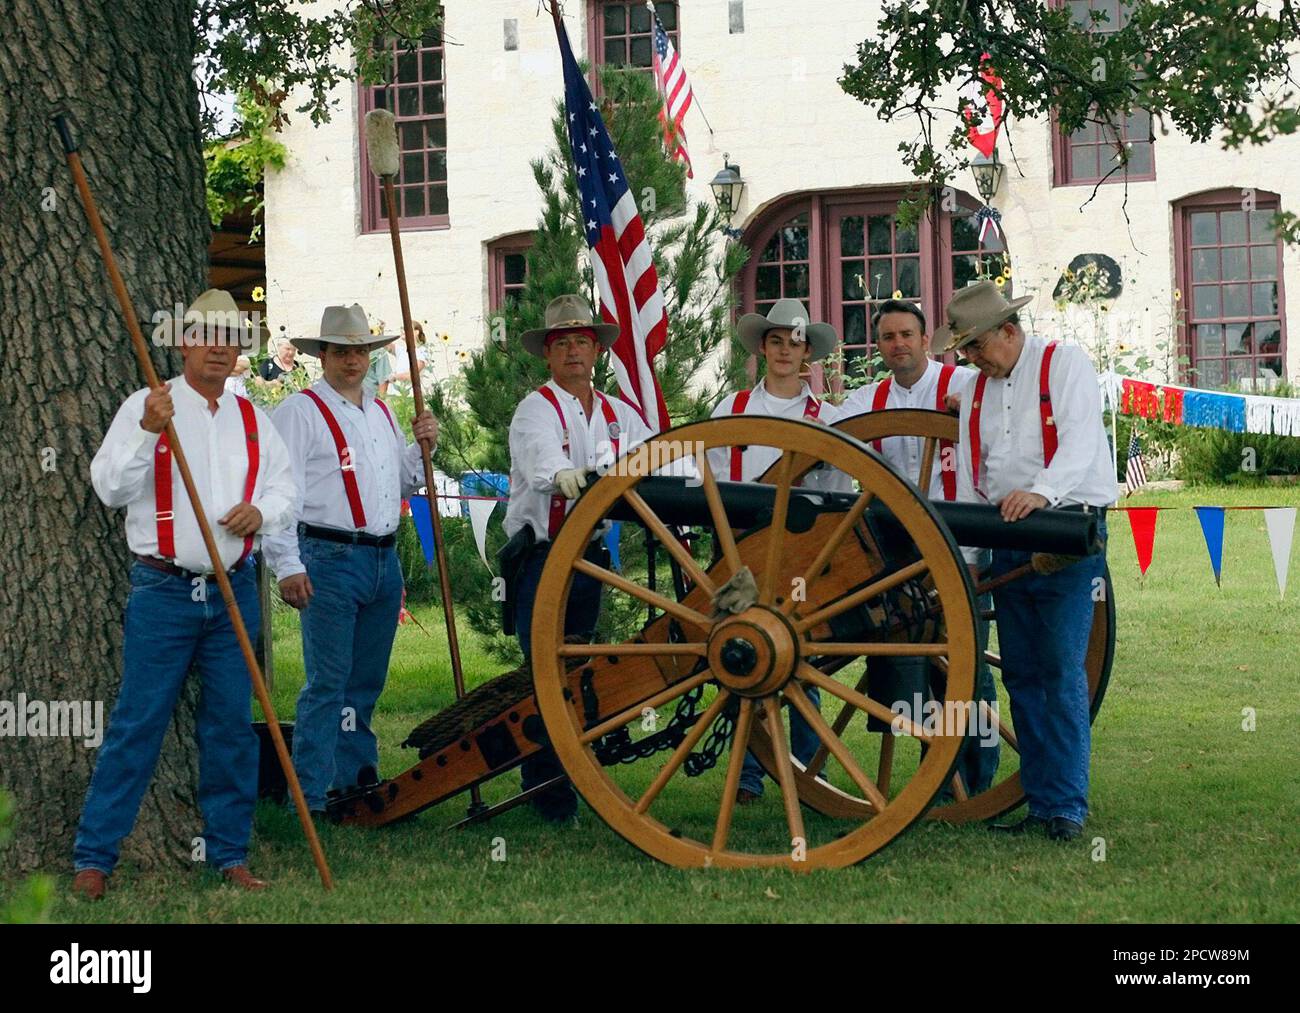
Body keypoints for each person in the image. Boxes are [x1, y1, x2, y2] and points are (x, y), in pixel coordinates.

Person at [73, 289, 297, 900]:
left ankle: (229, 854)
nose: (220, 350)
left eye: (231, 339)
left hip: (233, 596)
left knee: (229, 725)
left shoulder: (253, 416)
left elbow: (285, 491)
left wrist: (262, 512)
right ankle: (94, 857)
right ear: (184, 342)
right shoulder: (147, 405)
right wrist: (148, 433)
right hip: (164, 590)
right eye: (208, 337)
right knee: (138, 721)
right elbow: (110, 489)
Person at [939, 280, 1114, 842]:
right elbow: (971, 476)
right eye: (963, 350)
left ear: (1009, 332)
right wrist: (968, 557)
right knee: (1020, 673)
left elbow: (1081, 442)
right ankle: (1042, 803)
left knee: (1061, 669)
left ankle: (1065, 807)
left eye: (974, 347)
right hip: (1003, 537)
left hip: (1064, 528)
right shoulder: (973, 390)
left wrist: (1042, 491)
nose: (969, 359)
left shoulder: (1065, 365)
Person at [262, 304, 438, 813]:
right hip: (329, 555)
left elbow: (399, 484)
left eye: (360, 350)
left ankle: (355, 779)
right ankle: (310, 796)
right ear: (322, 357)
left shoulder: (381, 410)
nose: (352, 360)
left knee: (364, 681)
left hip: (383, 559)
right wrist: (288, 564)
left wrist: (420, 449)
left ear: (370, 355)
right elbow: (278, 492)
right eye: (341, 351)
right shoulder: (298, 413)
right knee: (328, 682)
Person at [502, 294, 657, 822]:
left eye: (582, 342)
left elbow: (655, 456)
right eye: (562, 343)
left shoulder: (619, 414)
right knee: (544, 671)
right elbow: (546, 463)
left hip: (588, 558)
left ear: (596, 352)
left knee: (579, 665)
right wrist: (568, 475)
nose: (573, 351)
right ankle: (545, 790)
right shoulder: (535, 409)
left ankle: (572, 774)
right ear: (547, 356)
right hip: (542, 559)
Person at [838, 299, 999, 799]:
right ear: (880, 345)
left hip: (959, 544)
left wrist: (972, 559)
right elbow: (827, 441)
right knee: (918, 665)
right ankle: (939, 777)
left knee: (966, 666)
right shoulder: (868, 401)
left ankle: (973, 779)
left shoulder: (965, 388)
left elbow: (996, 450)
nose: (898, 344)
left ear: (925, 339)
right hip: (896, 559)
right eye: (888, 337)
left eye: (906, 334)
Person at [707, 298, 839, 805]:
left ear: (807, 352)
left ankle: (808, 773)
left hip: (799, 554)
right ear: (763, 348)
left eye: (795, 342)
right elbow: (711, 478)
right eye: (777, 341)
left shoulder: (825, 417)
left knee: (801, 660)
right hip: (740, 549)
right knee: (741, 655)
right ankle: (747, 774)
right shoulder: (731, 410)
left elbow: (838, 490)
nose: (786, 351)